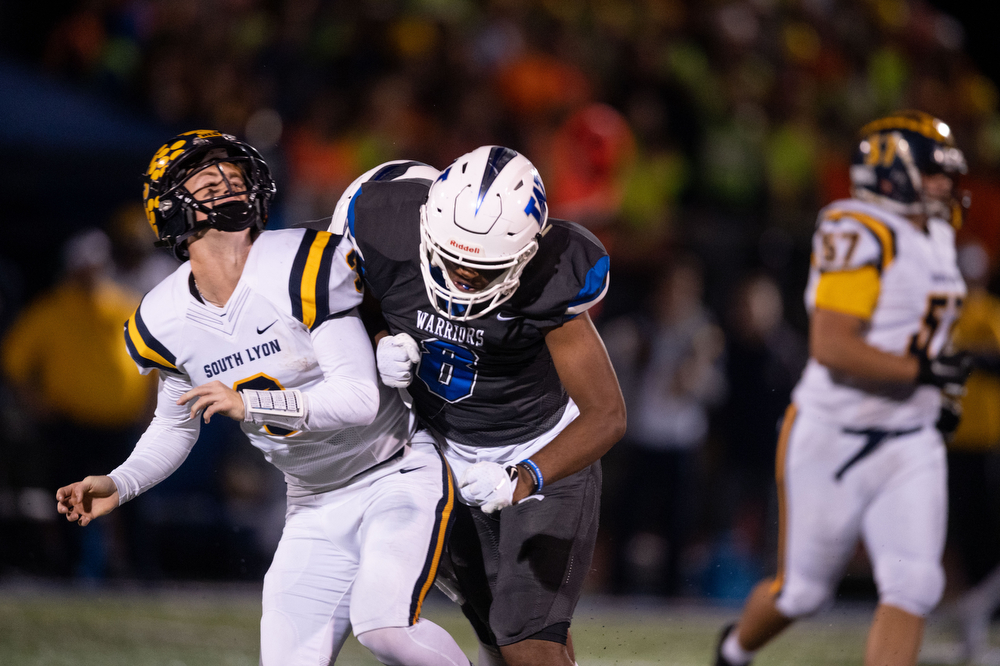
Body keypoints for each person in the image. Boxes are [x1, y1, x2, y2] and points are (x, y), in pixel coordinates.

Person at [55, 130, 471, 666]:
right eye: (207, 178)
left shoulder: (299, 261)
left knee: (386, 629)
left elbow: (358, 398)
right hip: (313, 500)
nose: (226, 180)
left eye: (233, 172)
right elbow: (175, 425)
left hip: (396, 471)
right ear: (170, 207)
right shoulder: (162, 317)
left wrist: (250, 405)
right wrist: (120, 482)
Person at [329, 147, 627, 666]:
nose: (463, 276)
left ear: (527, 253)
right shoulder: (385, 226)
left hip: (541, 449)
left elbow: (607, 415)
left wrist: (524, 476)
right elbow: (343, 297)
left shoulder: (550, 277)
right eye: (452, 258)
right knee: (494, 630)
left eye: (483, 268)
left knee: (525, 638)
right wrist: (377, 340)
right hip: (441, 455)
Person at [713, 110, 973, 666]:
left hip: (910, 437)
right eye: (933, 172)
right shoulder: (860, 227)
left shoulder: (938, 233)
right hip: (834, 435)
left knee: (915, 583)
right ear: (890, 174)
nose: (946, 184)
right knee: (803, 593)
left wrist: (937, 390)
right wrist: (924, 373)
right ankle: (733, 652)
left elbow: (917, 332)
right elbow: (832, 346)